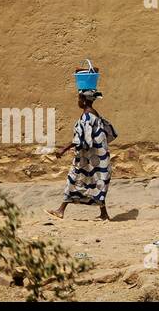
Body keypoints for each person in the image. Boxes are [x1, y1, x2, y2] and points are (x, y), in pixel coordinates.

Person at [48, 89, 115, 220]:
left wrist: (63, 150)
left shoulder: (86, 117)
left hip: (88, 159)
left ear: (84, 101)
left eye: (79, 99)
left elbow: (79, 139)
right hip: (97, 158)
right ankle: (104, 214)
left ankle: (61, 210)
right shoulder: (95, 114)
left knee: (73, 178)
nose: (78, 102)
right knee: (97, 181)